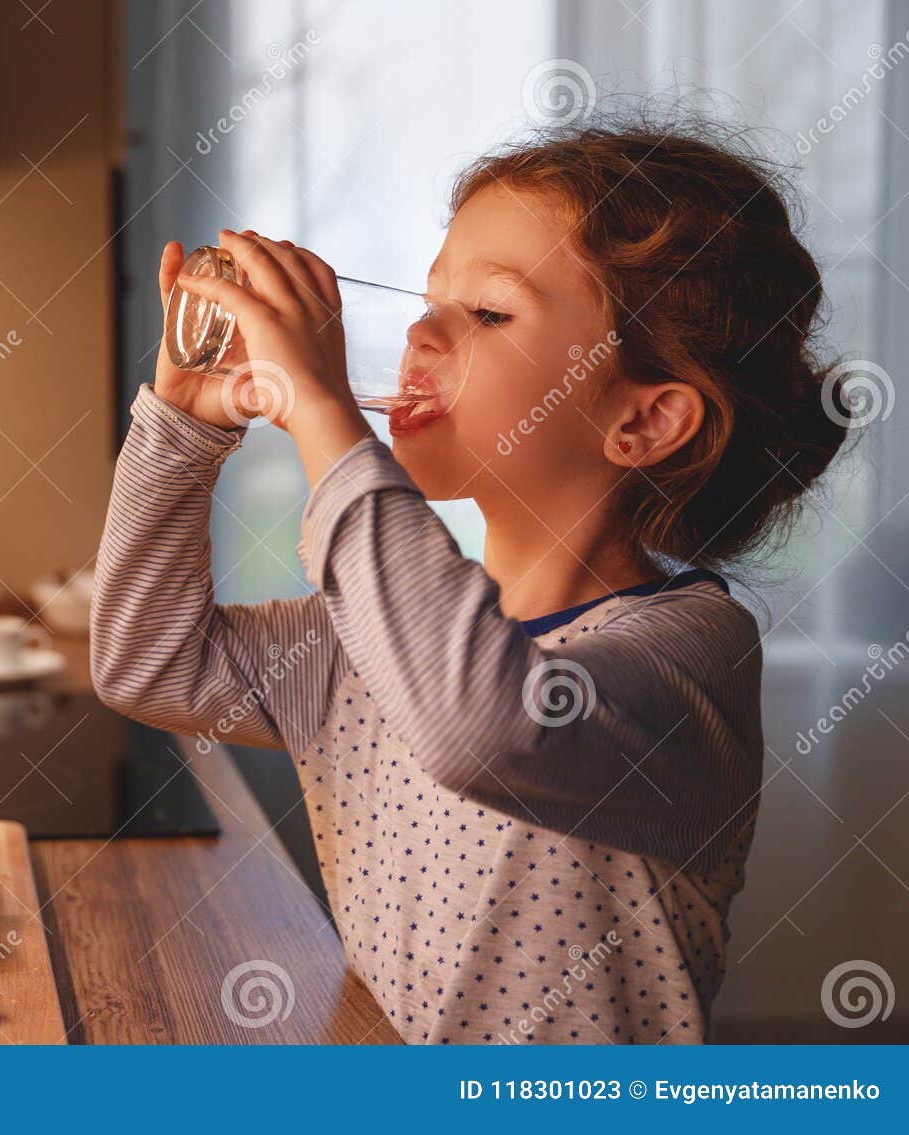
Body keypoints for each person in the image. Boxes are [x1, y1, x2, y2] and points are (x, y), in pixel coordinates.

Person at [91, 119, 853, 1044]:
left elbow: (482, 721)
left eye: (488, 313)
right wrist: (181, 422)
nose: (419, 331)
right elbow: (147, 660)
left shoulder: (690, 655)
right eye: (427, 299)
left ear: (644, 421)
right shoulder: (361, 640)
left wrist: (325, 409)